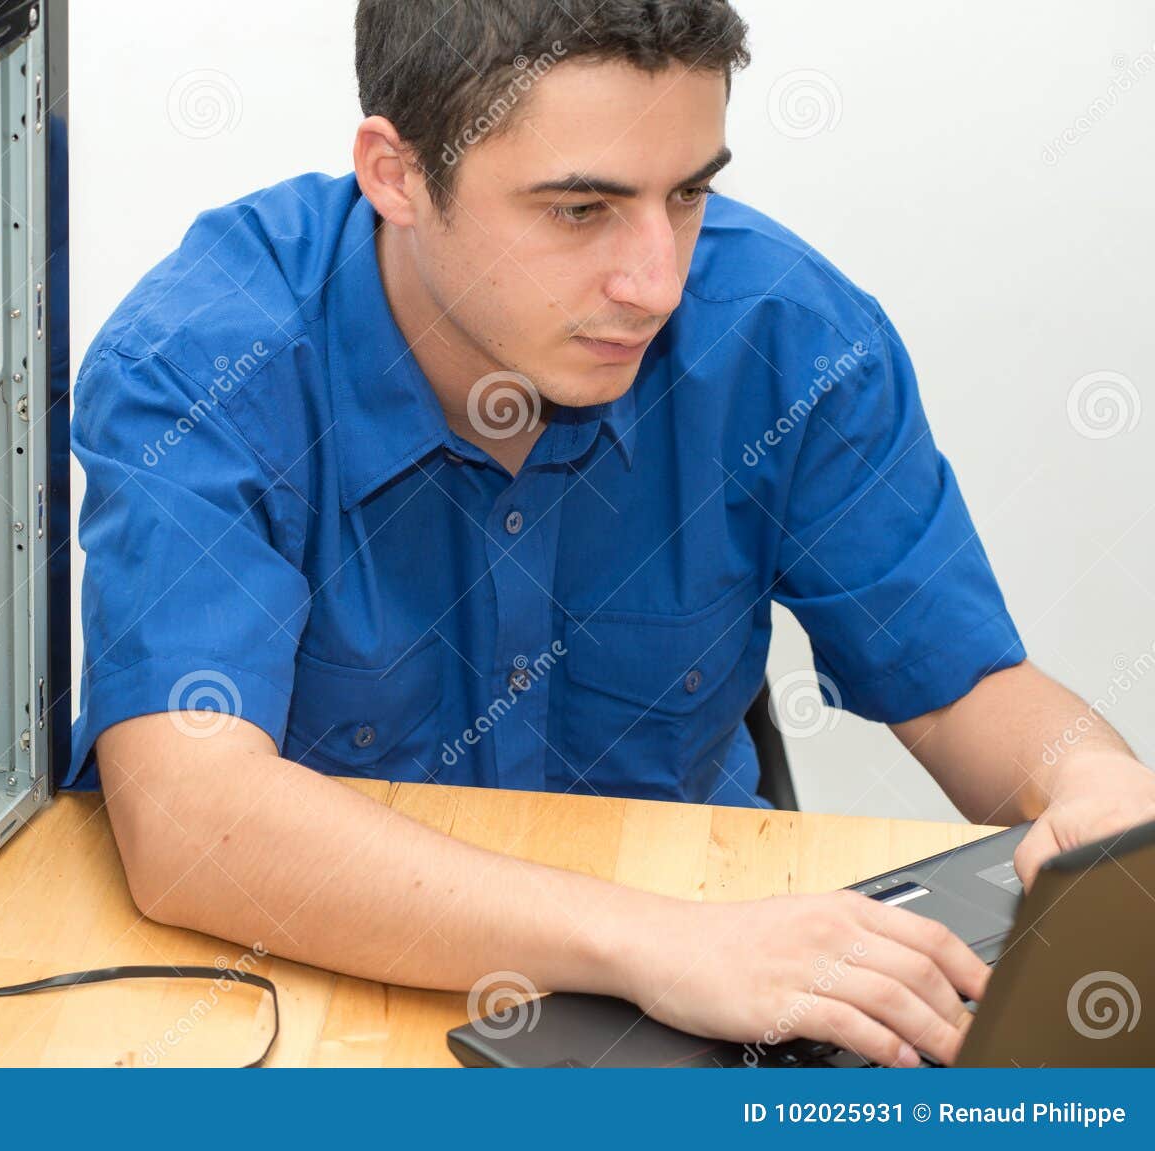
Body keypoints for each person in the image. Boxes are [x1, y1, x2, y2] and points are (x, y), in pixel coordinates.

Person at [68, 0, 1155, 1067]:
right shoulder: (203, 365)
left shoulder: (786, 331)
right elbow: (192, 823)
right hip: (307, 987)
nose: (655, 281)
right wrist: (652, 945)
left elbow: (964, 686)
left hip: (701, 991)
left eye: (685, 194)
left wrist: (1093, 786)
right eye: (579, 210)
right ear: (395, 173)